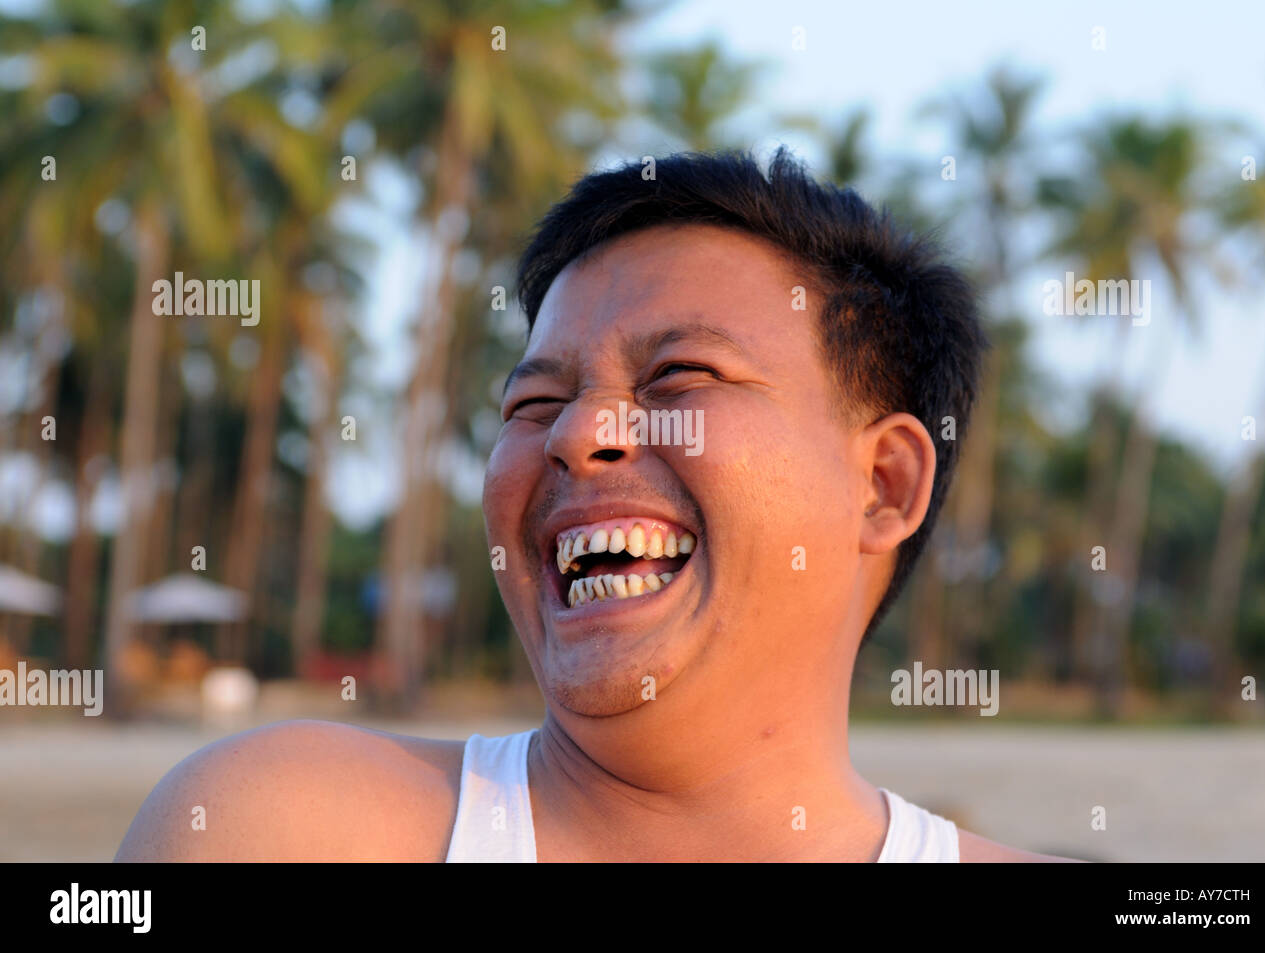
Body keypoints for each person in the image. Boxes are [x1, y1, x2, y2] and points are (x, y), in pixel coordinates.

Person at [116, 149, 1074, 862]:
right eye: (534, 404)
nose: (577, 435)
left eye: (678, 376)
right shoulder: (280, 829)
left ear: (882, 485)